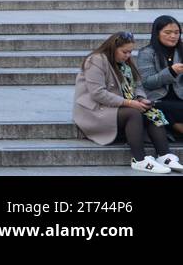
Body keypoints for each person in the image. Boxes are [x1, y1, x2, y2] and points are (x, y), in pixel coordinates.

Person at [73, 30, 179, 174]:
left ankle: (164, 155)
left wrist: (141, 99)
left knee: (151, 110)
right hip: (96, 111)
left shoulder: (124, 62)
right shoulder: (96, 60)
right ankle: (139, 160)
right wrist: (129, 102)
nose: (128, 55)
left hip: (116, 107)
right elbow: (98, 93)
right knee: (133, 113)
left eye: (130, 52)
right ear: (113, 48)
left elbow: (137, 85)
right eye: (125, 52)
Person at [140, 15, 183, 134]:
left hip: (180, 99)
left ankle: (174, 127)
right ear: (157, 33)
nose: (173, 36)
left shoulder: (181, 50)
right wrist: (171, 72)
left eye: (177, 32)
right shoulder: (147, 53)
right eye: (168, 32)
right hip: (158, 99)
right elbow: (148, 82)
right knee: (156, 109)